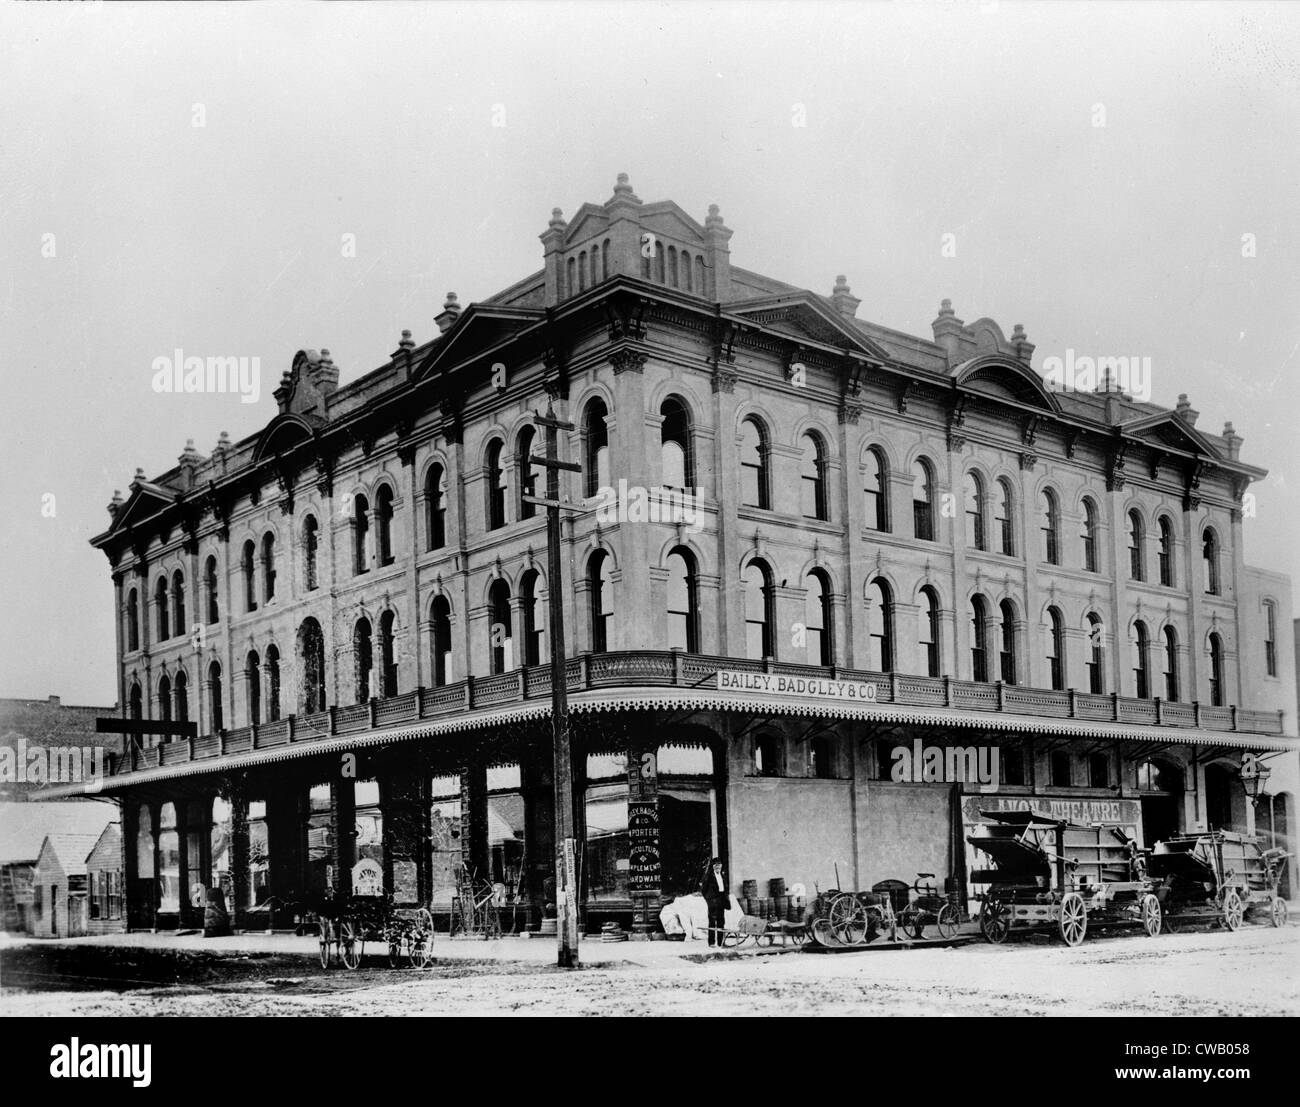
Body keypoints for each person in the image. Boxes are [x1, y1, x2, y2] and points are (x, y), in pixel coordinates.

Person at [700, 857, 728, 945]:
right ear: (713, 866)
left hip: (721, 900)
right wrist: (709, 899)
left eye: (719, 865)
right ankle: (711, 942)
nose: (717, 867)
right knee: (712, 921)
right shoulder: (708, 876)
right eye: (716, 865)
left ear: (721, 866)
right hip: (713, 901)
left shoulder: (723, 876)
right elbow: (703, 890)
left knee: (721, 921)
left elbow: (725, 888)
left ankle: (721, 942)